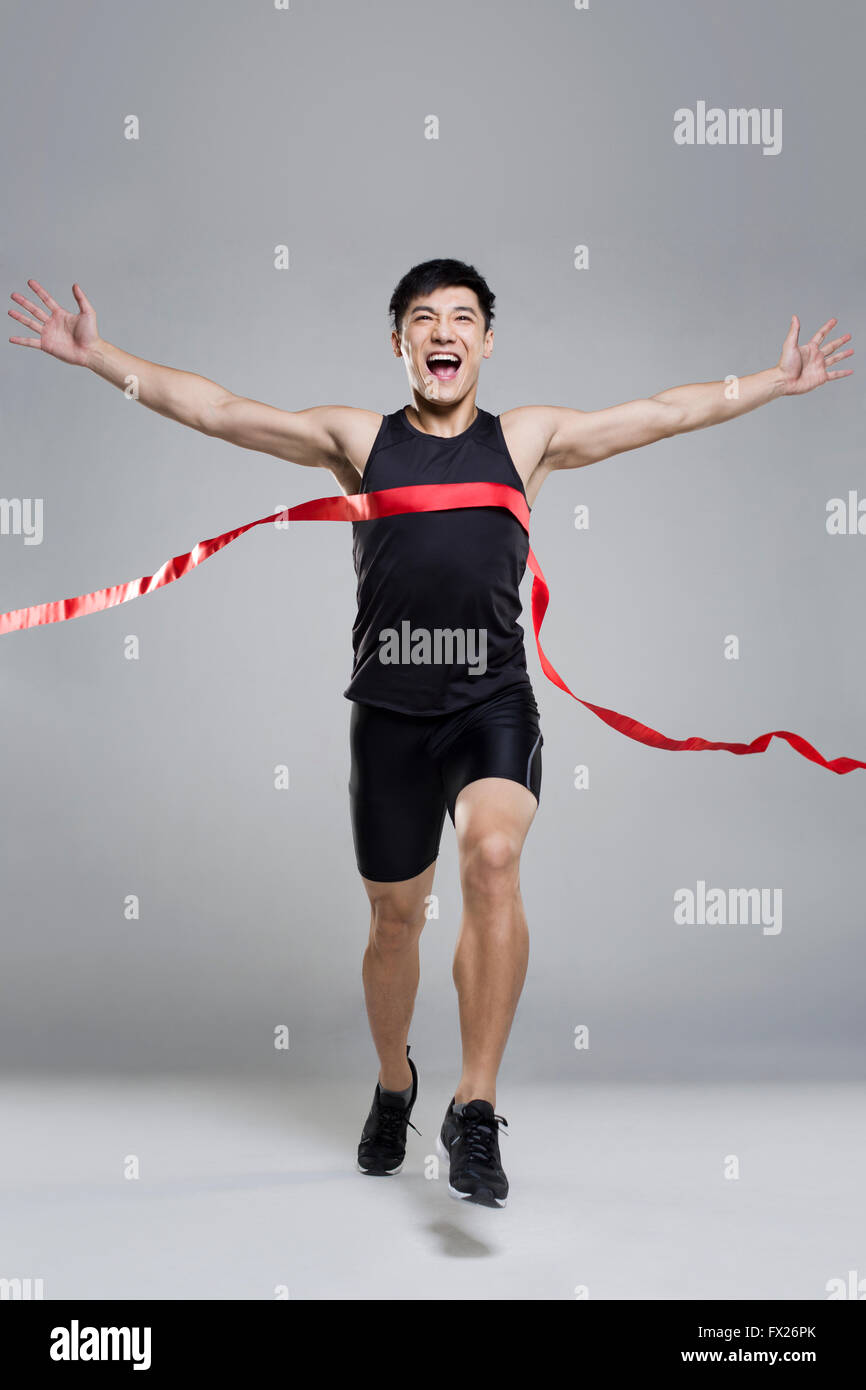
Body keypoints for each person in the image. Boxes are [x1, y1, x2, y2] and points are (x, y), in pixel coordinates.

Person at [8, 258, 853, 1208]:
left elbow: (656, 412)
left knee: (494, 861)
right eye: (422, 318)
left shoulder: (524, 439)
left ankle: (477, 1109)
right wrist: (99, 360)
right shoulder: (359, 440)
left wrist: (770, 384)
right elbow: (220, 410)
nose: (442, 331)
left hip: (492, 706)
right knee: (394, 921)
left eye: (461, 318)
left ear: (486, 342)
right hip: (389, 721)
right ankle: (395, 1083)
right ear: (401, 343)